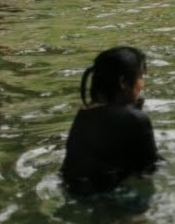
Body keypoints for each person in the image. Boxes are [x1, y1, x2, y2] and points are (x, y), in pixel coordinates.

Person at [60, 46, 159, 196]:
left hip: (75, 191)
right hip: (117, 196)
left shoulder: (83, 114)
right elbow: (149, 167)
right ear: (123, 82)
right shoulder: (135, 118)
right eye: (141, 77)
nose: (142, 84)